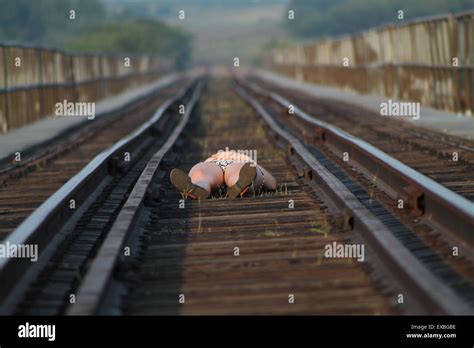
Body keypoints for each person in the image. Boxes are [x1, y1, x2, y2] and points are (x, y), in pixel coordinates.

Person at [170, 150, 277, 199]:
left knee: (201, 174)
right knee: (200, 172)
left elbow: (272, 184)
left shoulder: (243, 161)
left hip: (233, 164)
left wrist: (247, 160)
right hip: (213, 164)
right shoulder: (216, 158)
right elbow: (272, 183)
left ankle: (240, 184)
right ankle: (198, 188)